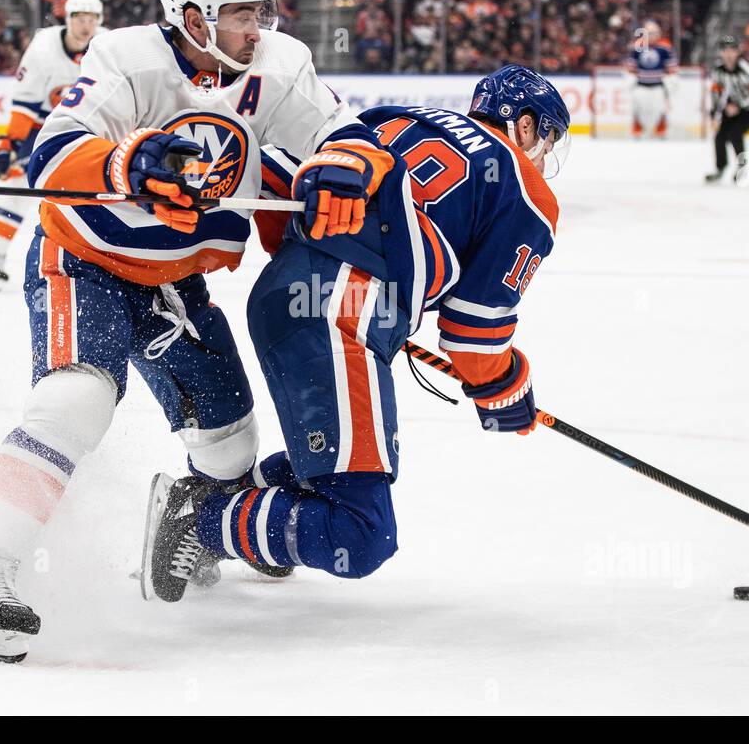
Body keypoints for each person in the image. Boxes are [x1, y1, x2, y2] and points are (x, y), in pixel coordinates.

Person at [0, 0, 389, 663]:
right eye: (243, 13)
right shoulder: (128, 57)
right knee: (75, 401)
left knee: (232, 442)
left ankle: (186, 518)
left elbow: (347, 136)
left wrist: (343, 167)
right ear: (193, 17)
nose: (260, 26)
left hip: (175, 283)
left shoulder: (280, 65)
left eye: (261, 10)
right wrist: (130, 159)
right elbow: (52, 156)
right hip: (83, 258)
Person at [139, 65, 571, 601]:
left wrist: (371, 300)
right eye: (548, 137)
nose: (546, 156)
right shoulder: (526, 190)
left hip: (290, 299)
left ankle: (241, 505)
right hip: (339, 313)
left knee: (343, 470)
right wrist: (506, 392)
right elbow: (473, 336)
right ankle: (201, 519)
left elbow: (280, 181)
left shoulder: (388, 122)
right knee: (362, 535)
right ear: (525, 126)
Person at [0, 0, 106, 291]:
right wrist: (10, 143)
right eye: (79, 18)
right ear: (68, 18)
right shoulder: (44, 48)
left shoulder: (107, 45)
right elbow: (25, 104)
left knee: (95, 198)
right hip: (43, 128)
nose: (86, 25)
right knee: (17, 189)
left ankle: (98, 264)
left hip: (91, 129)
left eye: (91, 19)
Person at [705, 35, 749, 184]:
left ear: (738, 52)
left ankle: (742, 166)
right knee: (720, 137)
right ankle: (720, 168)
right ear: (721, 53)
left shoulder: (747, 69)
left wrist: (739, 106)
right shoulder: (719, 71)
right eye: (725, 50)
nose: (729, 54)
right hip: (733, 105)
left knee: (735, 133)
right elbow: (716, 93)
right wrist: (714, 113)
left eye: (732, 50)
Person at [627, 20, 677, 139]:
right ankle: (637, 130)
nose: (651, 36)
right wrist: (631, 80)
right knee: (638, 108)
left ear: (659, 34)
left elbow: (672, 69)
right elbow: (630, 68)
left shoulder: (665, 49)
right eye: (649, 33)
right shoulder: (637, 48)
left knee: (660, 110)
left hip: (658, 86)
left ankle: (661, 130)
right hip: (640, 86)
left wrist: (670, 82)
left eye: (654, 33)